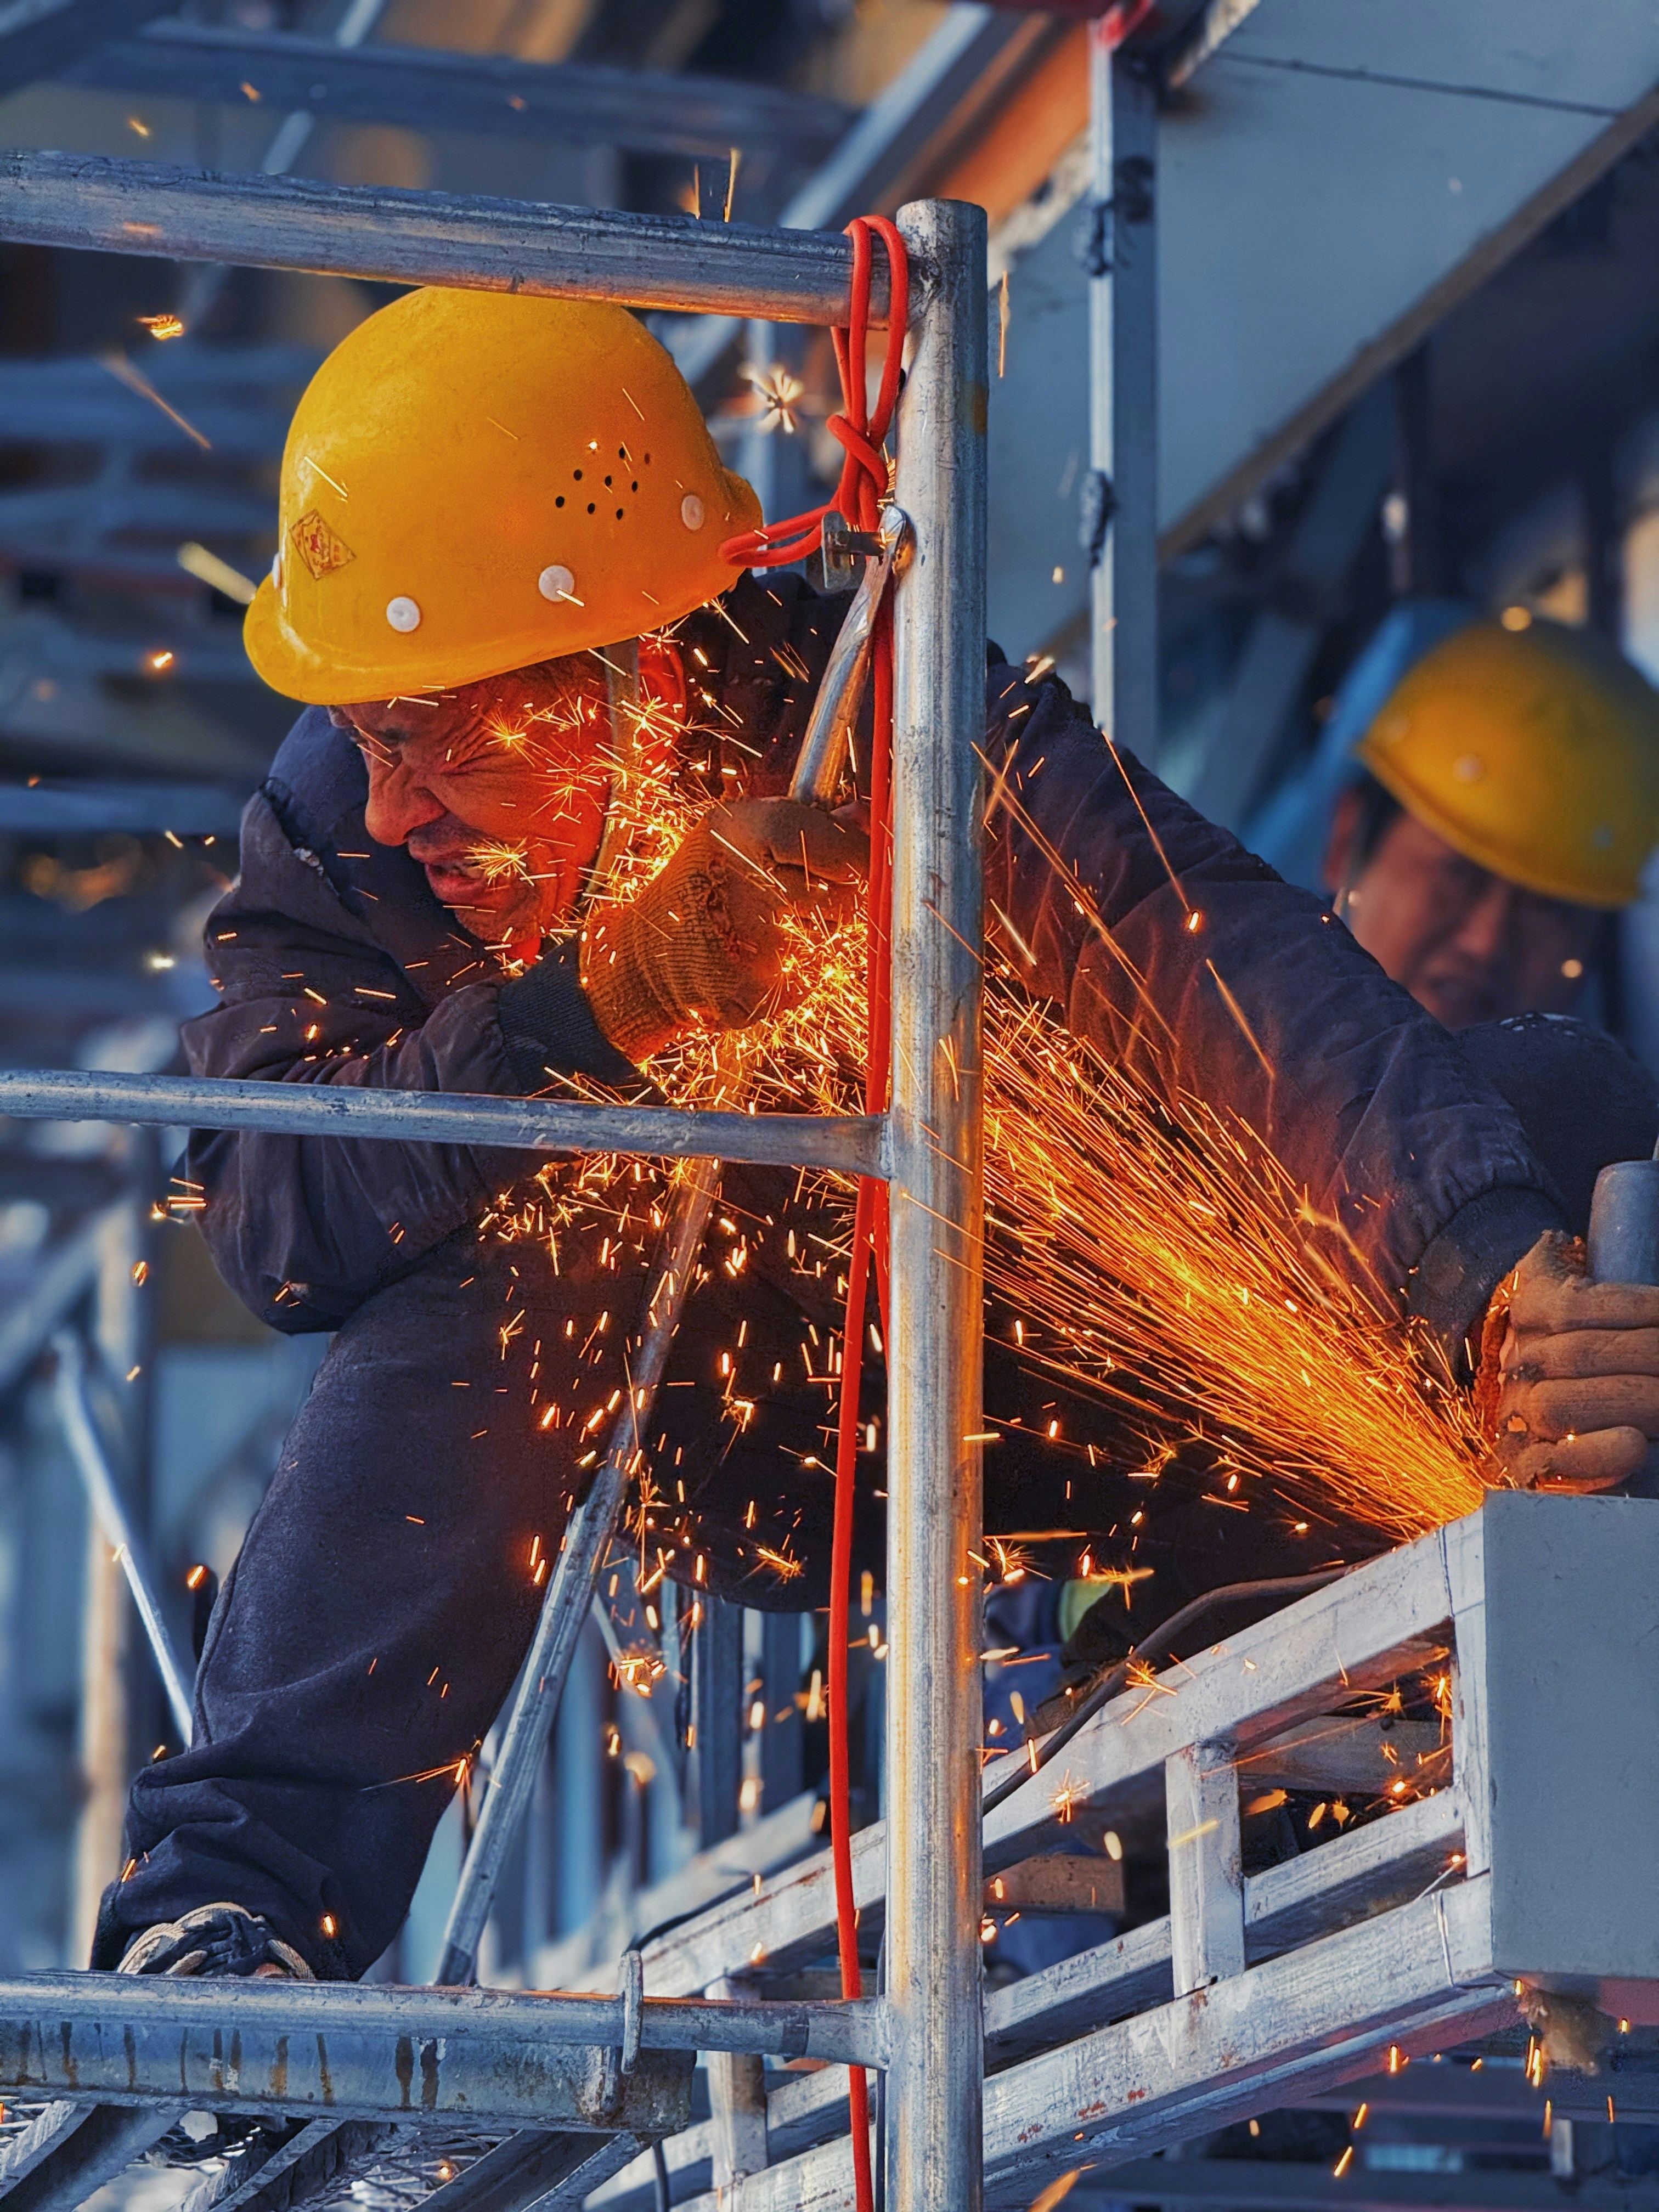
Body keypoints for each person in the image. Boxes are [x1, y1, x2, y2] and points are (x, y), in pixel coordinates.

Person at [93, 289, 1659, 1987]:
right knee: (557, 1196)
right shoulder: (340, 838)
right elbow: (276, 1216)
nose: (397, 800)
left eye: (444, 737)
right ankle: (234, 1893)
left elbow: (1183, 943)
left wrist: (1493, 1264)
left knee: (1555, 1102)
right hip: (732, 1416)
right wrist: (581, 1015)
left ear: (636, 665)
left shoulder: (892, 708)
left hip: (1033, 1366)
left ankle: (1230, 1645)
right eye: (374, 738)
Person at [1254, 606, 1659, 1032]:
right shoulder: (1209, 1050)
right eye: (1461, 874)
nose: (1487, 942)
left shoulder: (1605, 1096)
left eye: (1548, 907)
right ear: (1345, 840)